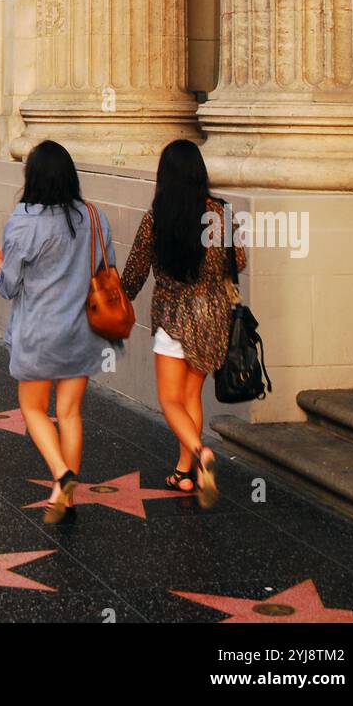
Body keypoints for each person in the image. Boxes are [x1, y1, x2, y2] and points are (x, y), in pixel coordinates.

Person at [0, 139, 108, 524]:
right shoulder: (93, 216)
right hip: (82, 331)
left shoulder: (23, 220)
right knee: (69, 413)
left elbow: (10, 285)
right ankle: (67, 500)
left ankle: (62, 474)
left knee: (33, 409)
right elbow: (104, 268)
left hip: (38, 331)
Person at [121, 139, 247, 509]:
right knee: (191, 396)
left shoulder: (157, 218)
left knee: (169, 400)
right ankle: (184, 470)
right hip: (215, 317)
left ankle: (200, 453)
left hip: (175, 317)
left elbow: (134, 274)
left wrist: (116, 298)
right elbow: (238, 260)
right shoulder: (220, 213)